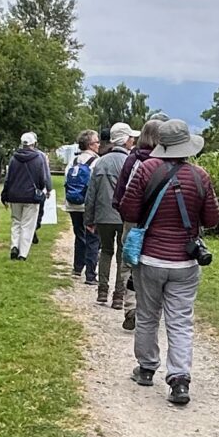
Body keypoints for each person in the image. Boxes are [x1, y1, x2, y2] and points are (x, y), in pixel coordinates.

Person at [115, 116, 219, 406]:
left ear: (161, 144)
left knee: (148, 315)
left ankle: (147, 368)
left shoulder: (146, 169)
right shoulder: (200, 176)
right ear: (187, 146)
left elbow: (128, 211)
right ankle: (179, 380)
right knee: (180, 321)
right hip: (185, 262)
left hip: (150, 257)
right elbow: (212, 218)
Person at [88, 122, 136, 310]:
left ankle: (102, 291)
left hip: (103, 215)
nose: (133, 141)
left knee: (106, 251)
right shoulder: (131, 162)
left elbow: (91, 193)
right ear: (125, 141)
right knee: (122, 256)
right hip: (124, 216)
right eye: (131, 138)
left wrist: (89, 219)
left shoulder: (100, 161)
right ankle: (118, 295)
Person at [0, 130, 51, 259]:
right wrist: (41, 190)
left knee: (16, 222)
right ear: (34, 144)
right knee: (27, 225)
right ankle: (22, 254)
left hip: (14, 195)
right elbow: (42, 178)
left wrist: (4, 195)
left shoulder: (13, 158)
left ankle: (14, 246)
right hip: (31, 197)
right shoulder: (38, 158)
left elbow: (8, 178)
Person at [65, 129, 101, 285]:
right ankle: (91, 274)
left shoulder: (73, 162)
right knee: (92, 238)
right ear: (90, 145)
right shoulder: (96, 162)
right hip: (88, 205)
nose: (99, 144)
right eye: (97, 141)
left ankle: (77, 267)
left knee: (79, 235)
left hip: (73, 204)